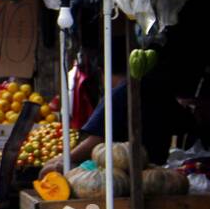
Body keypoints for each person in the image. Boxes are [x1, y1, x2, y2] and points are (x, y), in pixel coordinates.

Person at [39, 44, 195, 174]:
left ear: (102, 72)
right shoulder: (156, 89)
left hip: (126, 173)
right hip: (157, 169)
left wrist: (64, 159)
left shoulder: (119, 93)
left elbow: (97, 139)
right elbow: (183, 125)